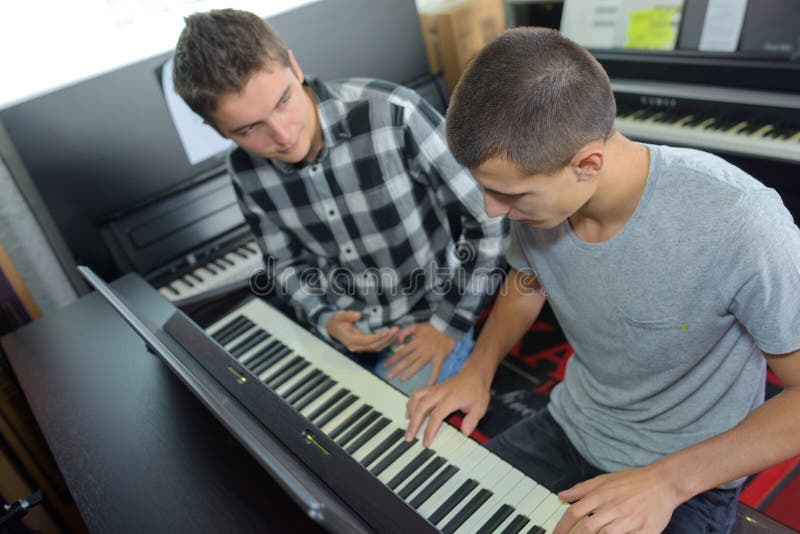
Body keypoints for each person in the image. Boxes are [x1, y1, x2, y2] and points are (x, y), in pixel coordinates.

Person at [404, 27, 800, 533]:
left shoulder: (740, 220)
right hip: (574, 423)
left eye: (511, 195)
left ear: (588, 164)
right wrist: (478, 369)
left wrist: (668, 481)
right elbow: (528, 280)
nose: (492, 209)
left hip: (688, 470)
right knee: (427, 511)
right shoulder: (541, 200)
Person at [171, 9, 506, 395]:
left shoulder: (394, 115)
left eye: (283, 101)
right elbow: (285, 264)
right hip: (341, 328)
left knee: (391, 425)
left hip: (428, 322)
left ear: (294, 66)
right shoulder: (243, 170)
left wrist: (445, 327)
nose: (282, 135)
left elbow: (489, 219)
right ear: (216, 130)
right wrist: (324, 318)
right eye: (249, 128)